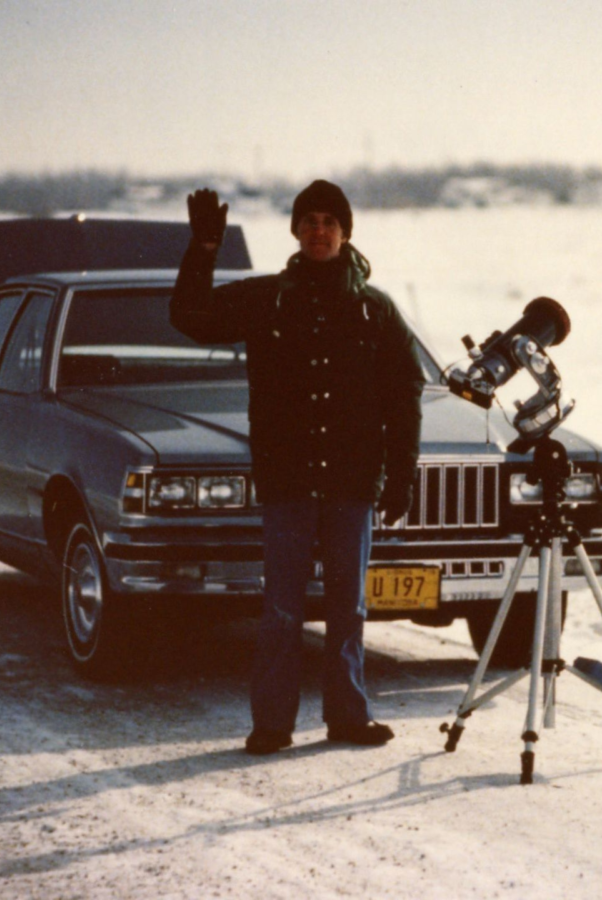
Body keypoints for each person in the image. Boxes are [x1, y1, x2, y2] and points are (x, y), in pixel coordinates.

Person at [170, 181, 424, 755]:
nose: (319, 231)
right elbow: (191, 316)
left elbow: (404, 397)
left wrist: (400, 478)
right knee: (282, 609)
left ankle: (348, 716)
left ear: (345, 233)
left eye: (330, 222)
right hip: (287, 481)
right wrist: (202, 253)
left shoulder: (375, 308)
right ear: (295, 231)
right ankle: (272, 723)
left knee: (348, 608)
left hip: (351, 484)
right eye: (309, 221)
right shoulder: (267, 298)